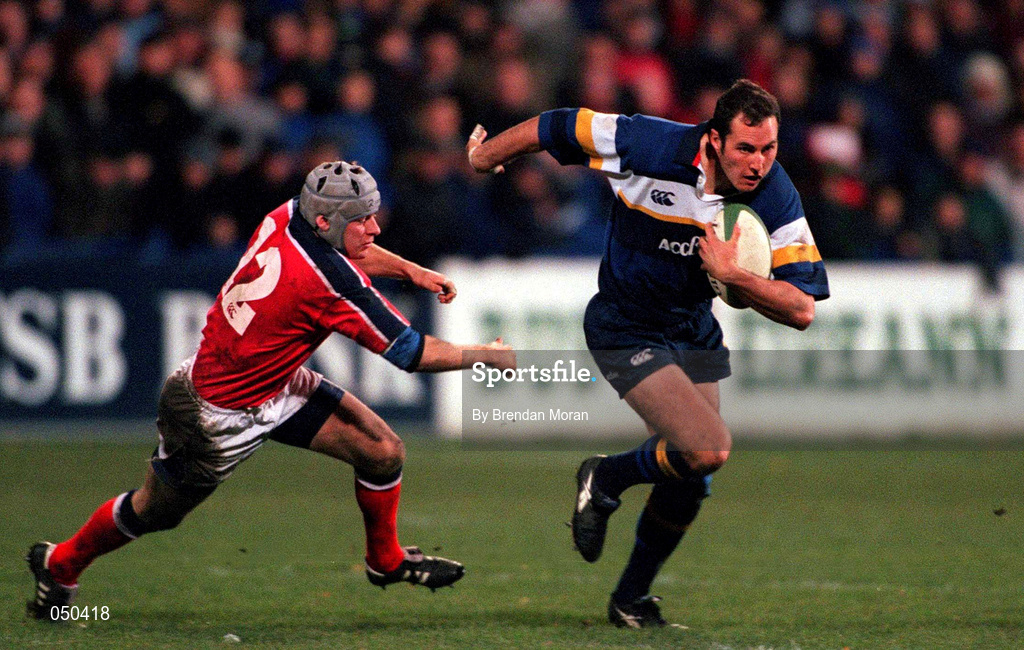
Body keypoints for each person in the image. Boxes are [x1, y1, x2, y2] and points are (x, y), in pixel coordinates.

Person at [26, 161, 515, 620]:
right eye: (363, 220)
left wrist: (410, 270)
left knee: (382, 451)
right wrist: (485, 355)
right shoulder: (329, 282)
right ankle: (61, 565)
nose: (375, 229)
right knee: (155, 512)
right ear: (326, 222)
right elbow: (411, 352)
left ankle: (385, 561)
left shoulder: (288, 212)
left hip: (272, 382)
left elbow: (354, 250)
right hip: (213, 413)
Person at [466, 80, 829, 628]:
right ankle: (608, 478)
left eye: (769, 149)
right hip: (624, 322)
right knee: (707, 448)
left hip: (693, 329)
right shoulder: (647, 145)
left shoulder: (775, 194)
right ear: (713, 141)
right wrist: (484, 155)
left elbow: (802, 309)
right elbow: (559, 125)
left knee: (694, 477)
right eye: (745, 149)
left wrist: (734, 278)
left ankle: (628, 597)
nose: (758, 164)